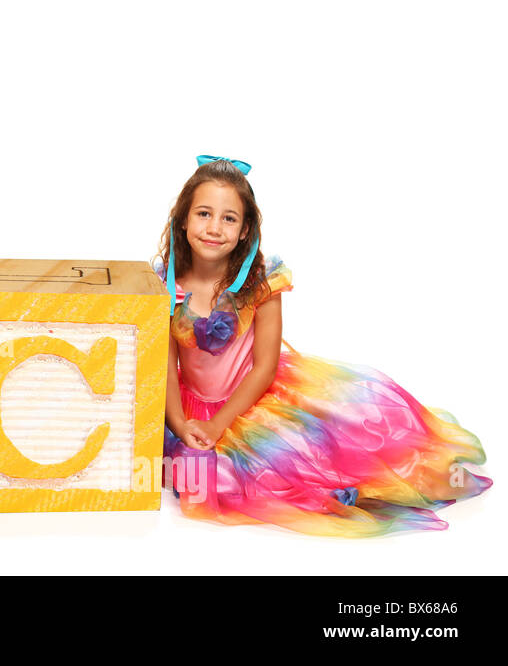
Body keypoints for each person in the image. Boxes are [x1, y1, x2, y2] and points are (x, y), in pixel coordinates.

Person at [159, 155, 490, 535]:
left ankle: (360, 481)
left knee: (310, 458)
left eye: (228, 218)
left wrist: (219, 424)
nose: (214, 228)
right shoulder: (166, 286)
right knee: (191, 478)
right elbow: (166, 365)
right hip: (188, 406)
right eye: (203, 213)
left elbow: (264, 366)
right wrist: (180, 422)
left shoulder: (260, 283)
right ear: (183, 218)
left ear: (245, 228)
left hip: (252, 399)